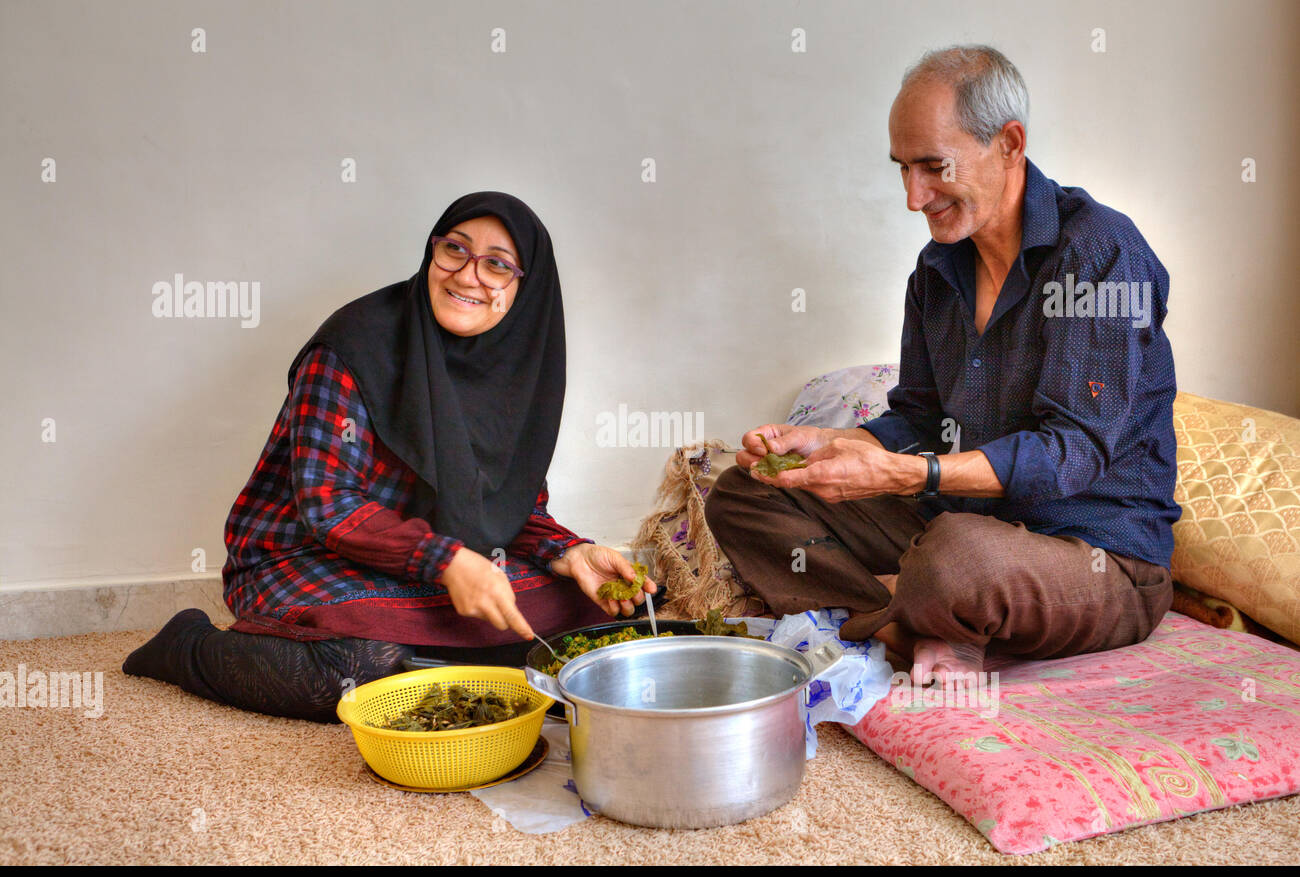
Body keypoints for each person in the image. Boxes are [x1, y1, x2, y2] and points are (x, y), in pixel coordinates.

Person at [705, 46, 1178, 685]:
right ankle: (904, 619)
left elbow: (1072, 452)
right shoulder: (936, 271)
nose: (912, 197)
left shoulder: (1099, 252)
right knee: (743, 492)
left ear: (1010, 144)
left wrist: (904, 476)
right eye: (902, 168)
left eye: (933, 166)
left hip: (1095, 558)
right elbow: (920, 416)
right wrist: (829, 444)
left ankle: (901, 611)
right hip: (956, 524)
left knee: (956, 555)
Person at [125, 192, 654, 721]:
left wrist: (572, 553)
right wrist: (446, 562)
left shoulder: (517, 371)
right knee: (361, 666)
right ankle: (190, 647)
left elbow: (512, 511)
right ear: (432, 252)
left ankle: (434, 659)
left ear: (525, 286)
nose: (468, 276)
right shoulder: (355, 344)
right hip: (306, 558)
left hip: (435, 565)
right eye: (455, 249)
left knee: (597, 616)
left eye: (496, 264)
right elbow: (327, 504)